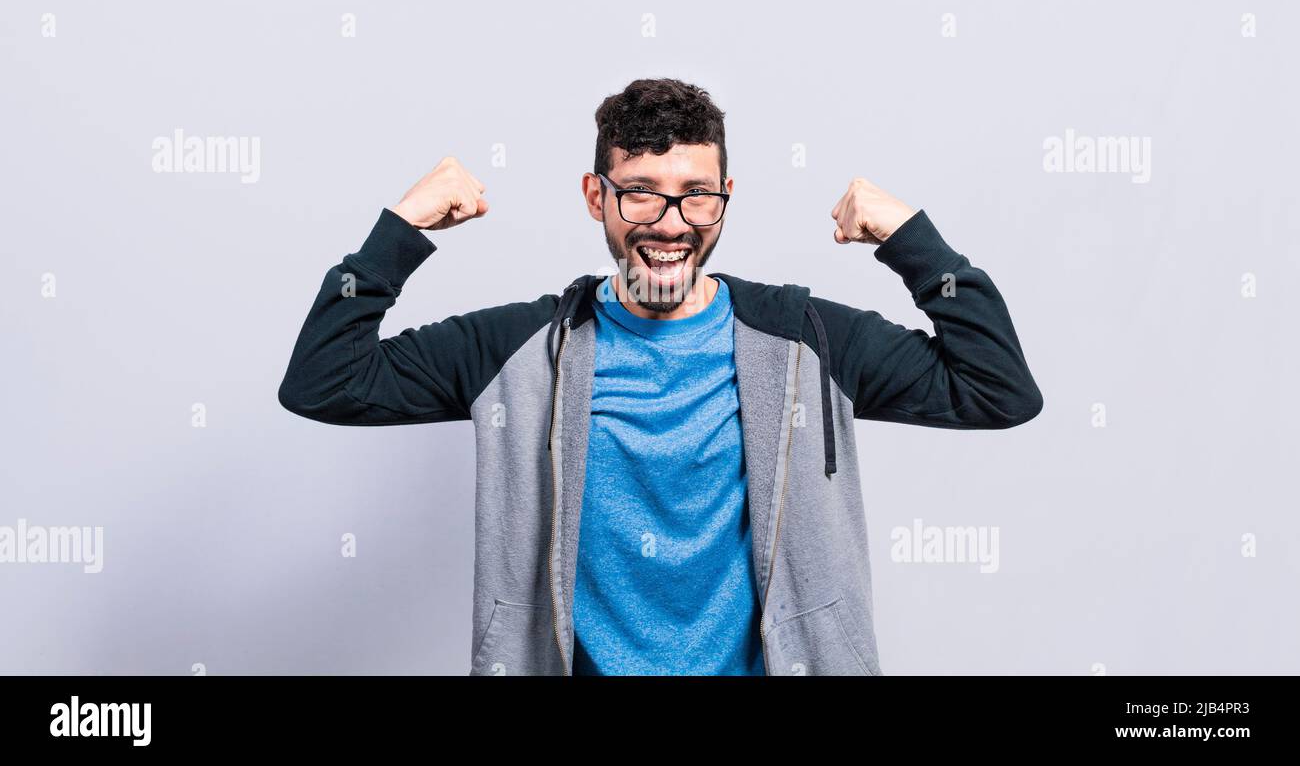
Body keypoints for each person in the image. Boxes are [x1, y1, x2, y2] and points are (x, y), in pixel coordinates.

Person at [278, 78, 1043, 675]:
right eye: (640, 191)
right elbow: (323, 379)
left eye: (696, 195)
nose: (670, 222)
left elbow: (997, 386)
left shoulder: (808, 340)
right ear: (595, 196)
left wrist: (911, 239)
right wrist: (401, 229)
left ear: (725, 200)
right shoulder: (517, 349)